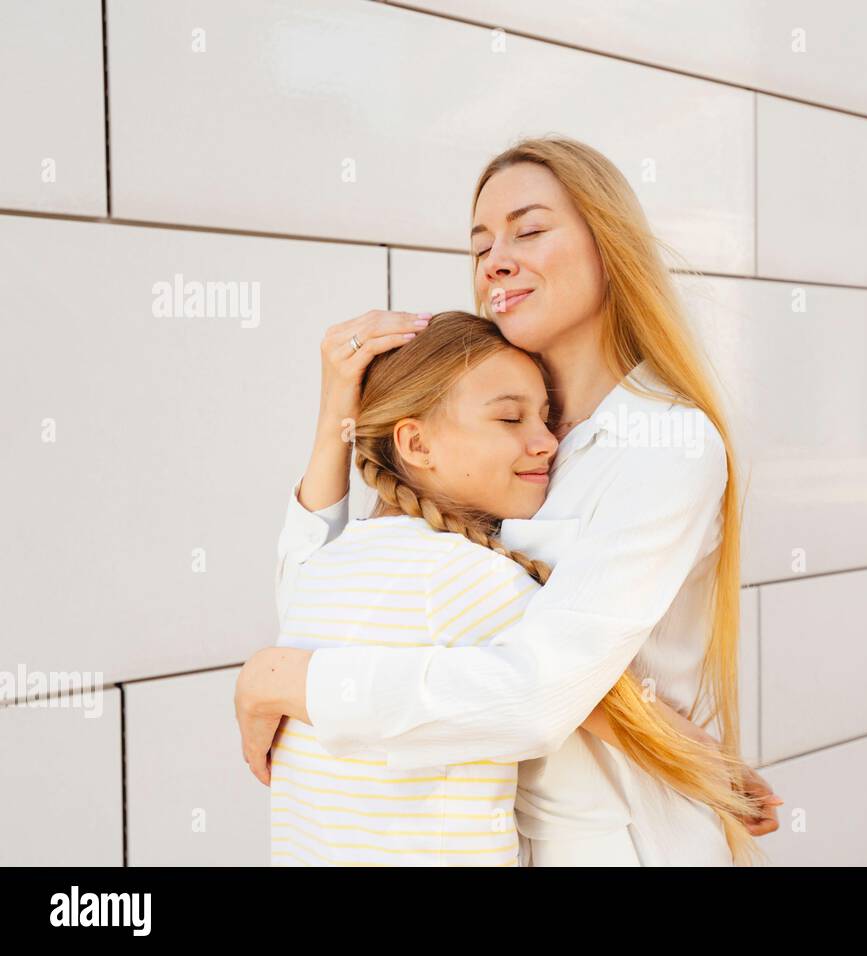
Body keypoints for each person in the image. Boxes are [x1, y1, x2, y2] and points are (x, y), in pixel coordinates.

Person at [236, 135, 781, 865]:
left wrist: (293, 682)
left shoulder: (665, 446)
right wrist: (338, 408)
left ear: (608, 246)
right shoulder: (493, 431)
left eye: (528, 230)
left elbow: (534, 698)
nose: (494, 259)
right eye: (480, 243)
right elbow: (330, 602)